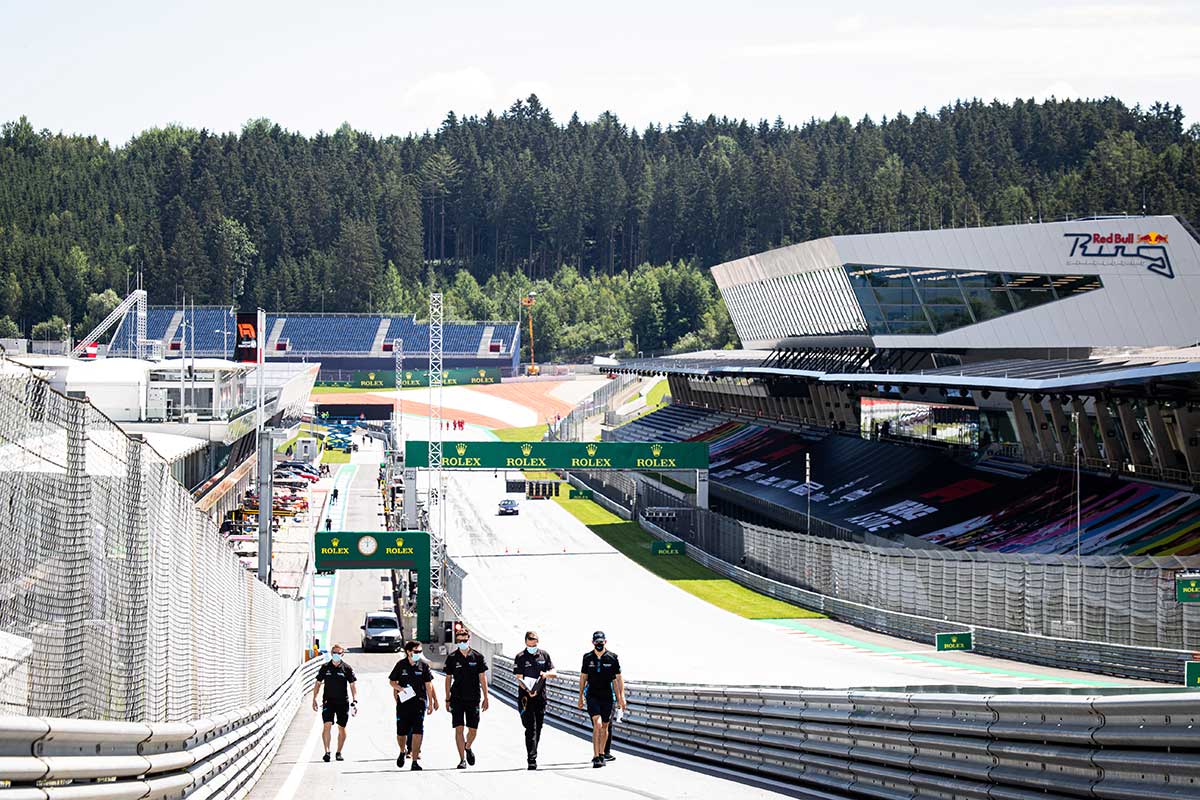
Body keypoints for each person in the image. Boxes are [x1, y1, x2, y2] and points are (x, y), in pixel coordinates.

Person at [443, 627, 489, 769]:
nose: (462, 642)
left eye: (465, 640)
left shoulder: (478, 657)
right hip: (457, 698)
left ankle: (467, 747)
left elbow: (482, 677)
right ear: (457, 641)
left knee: (473, 729)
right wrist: (447, 698)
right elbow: (448, 679)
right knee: (459, 729)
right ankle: (462, 759)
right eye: (460, 640)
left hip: (473, 697)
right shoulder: (452, 658)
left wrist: (486, 697)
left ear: (469, 640)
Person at [578, 631, 625, 768]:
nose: (599, 644)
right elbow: (583, 677)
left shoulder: (612, 658)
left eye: (601, 642)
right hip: (592, 694)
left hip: (607, 696)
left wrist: (621, 697)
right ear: (593, 642)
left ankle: (602, 753)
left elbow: (618, 679)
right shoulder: (587, 657)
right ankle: (596, 756)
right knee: (597, 724)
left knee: (605, 726)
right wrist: (580, 696)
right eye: (597, 642)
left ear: (605, 642)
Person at [389, 640, 437, 770]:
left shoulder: (423, 666)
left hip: (419, 703)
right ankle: (402, 751)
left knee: (418, 731)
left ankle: (415, 761)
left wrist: (431, 702)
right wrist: (400, 689)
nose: (418, 654)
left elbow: (429, 684)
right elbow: (392, 681)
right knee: (401, 733)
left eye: (420, 651)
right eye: (416, 651)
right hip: (404, 703)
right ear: (408, 652)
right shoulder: (401, 665)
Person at [512, 630, 556, 770]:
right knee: (530, 727)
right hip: (526, 697)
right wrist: (528, 690)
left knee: (538, 727)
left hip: (540, 697)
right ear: (526, 642)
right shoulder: (520, 657)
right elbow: (519, 678)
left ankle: (532, 756)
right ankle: (531, 758)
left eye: (535, 643)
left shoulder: (544, 655)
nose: (533, 645)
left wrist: (546, 674)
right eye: (530, 643)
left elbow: (554, 672)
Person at [311, 644, 357, 762]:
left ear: (342, 654)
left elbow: (352, 685)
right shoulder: (325, 667)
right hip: (328, 702)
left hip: (342, 703)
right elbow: (318, 683)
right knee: (327, 724)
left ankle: (338, 752)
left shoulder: (347, 668)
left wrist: (355, 700)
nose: (336, 655)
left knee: (342, 728)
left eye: (339, 653)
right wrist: (314, 698)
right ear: (331, 654)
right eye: (334, 653)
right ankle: (327, 752)